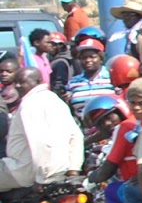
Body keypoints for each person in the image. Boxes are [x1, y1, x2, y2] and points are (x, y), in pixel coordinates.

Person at [0, 67, 83, 195]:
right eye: (15, 82)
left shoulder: (30, 104)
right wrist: (74, 169)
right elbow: (76, 136)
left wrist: (43, 178)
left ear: (37, 81)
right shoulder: (55, 100)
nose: (17, 85)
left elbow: (40, 144)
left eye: (22, 82)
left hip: (26, 169)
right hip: (61, 168)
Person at [65, 38, 113, 117]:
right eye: (84, 58)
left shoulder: (111, 78)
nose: (88, 60)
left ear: (101, 59)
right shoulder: (73, 82)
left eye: (92, 57)